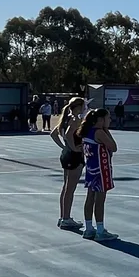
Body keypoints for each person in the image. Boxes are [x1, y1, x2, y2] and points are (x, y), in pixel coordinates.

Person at [78, 107, 119, 241]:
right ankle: (100, 230)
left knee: (90, 198)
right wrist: (107, 130)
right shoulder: (100, 132)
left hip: (91, 168)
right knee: (99, 200)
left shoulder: (87, 131)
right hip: (101, 169)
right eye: (108, 118)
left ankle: (89, 228)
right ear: (101, 120)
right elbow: (113, 147)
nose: (110, 120)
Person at [52, 97, 88, 231]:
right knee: (70, 189)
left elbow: (53, 134)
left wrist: (64, 147)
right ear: (78, 107)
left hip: (66, 154)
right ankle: (66, 218)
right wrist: (73, 148)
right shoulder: (75, 120)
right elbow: (68, 134)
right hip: (74, 155)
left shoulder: (65, 119)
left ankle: (63, 216)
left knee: (66, 188)